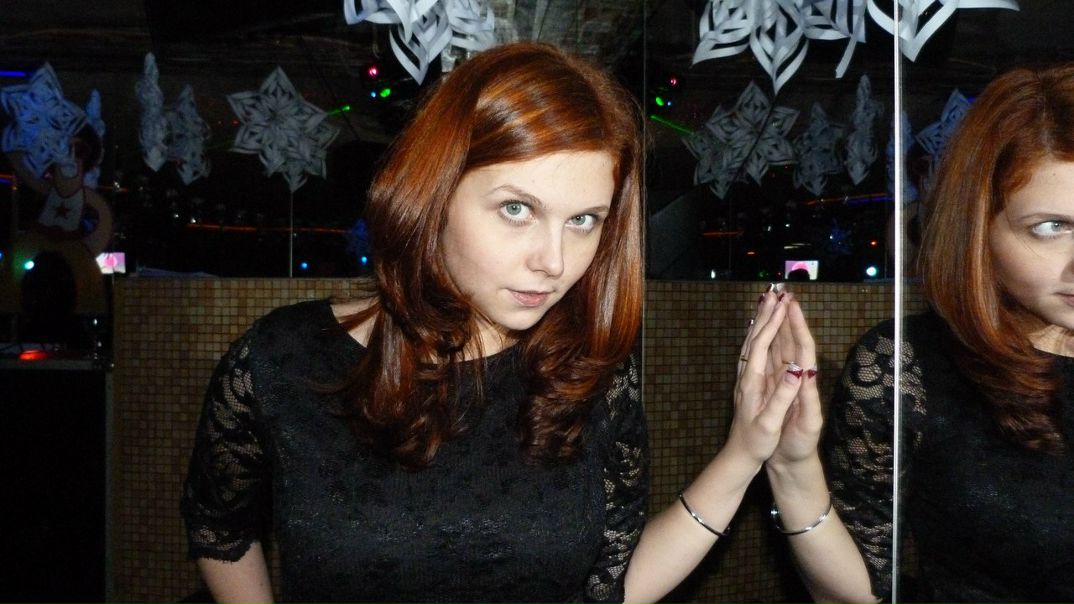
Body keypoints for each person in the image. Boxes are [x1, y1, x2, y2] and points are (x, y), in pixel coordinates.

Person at [180, 42, 823, 604]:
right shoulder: (282, 360)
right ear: (433, 193)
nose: (554, 262)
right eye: (517, 208)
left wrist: (745, 452)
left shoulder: (590, 373)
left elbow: (610, 586)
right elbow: (219, 528)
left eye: (583, 221)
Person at [775, 64, 1074, 604]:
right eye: (1051, 227)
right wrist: (790, 468)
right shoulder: (907, 366)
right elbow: (859, 589)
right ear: (978, 227)